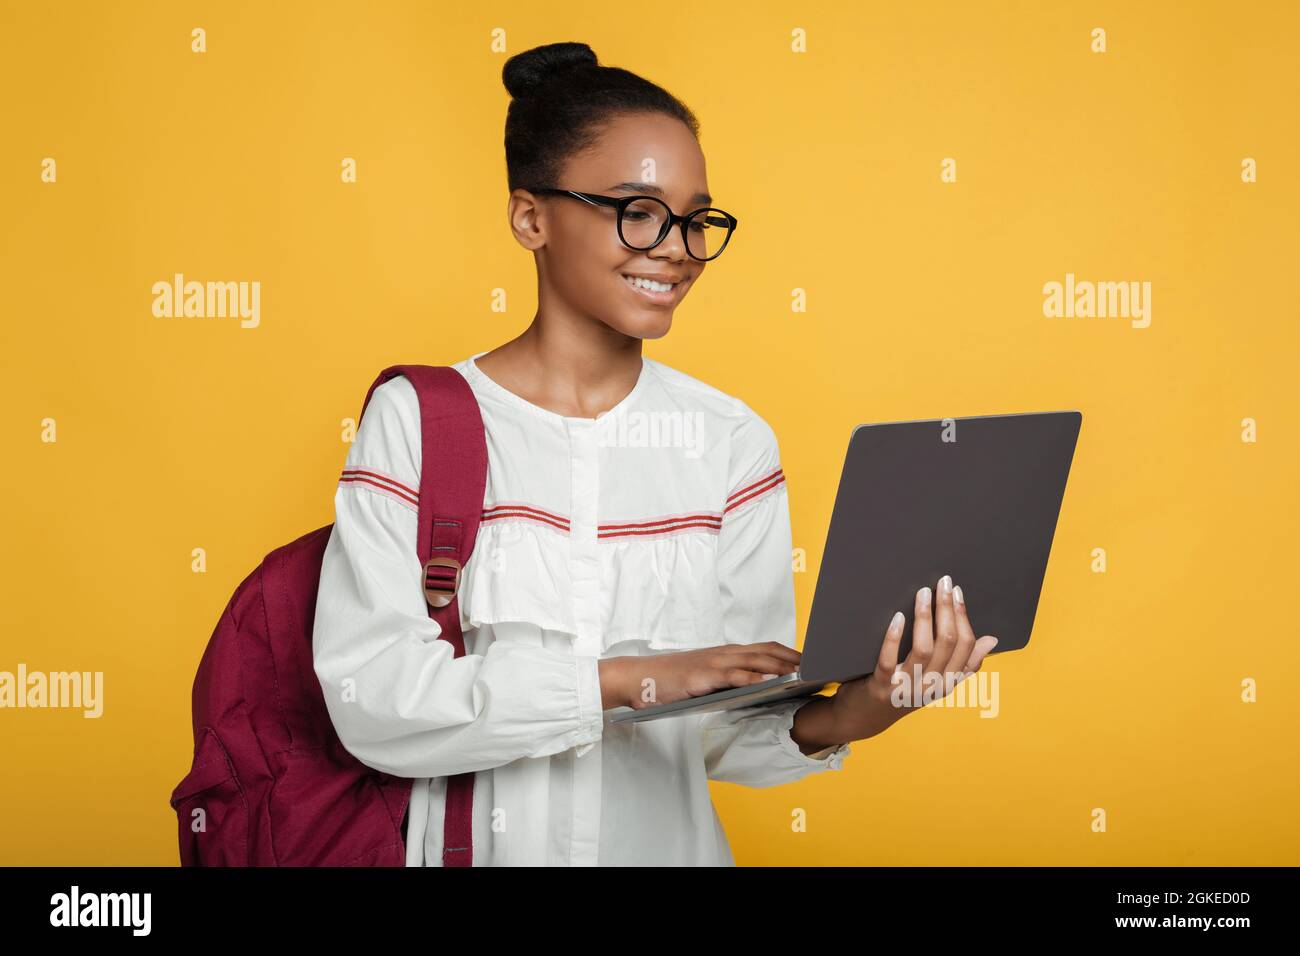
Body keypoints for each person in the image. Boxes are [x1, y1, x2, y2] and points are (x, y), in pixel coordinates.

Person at [311, 40, 999, 866]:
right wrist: (629, 679)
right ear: (531, 217)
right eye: (637, 210)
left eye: (697, 218)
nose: (675, 246)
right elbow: (377, 705)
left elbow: (723, 735)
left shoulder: (731, 441)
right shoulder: (418, 422)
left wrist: (872, 703)